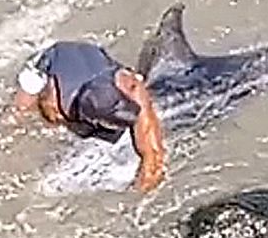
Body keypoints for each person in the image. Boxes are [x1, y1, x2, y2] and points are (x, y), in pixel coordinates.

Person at [10, 40, 165, 191]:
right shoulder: (55, 103)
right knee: (21, 117)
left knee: (149, 142)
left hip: (92, 60)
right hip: (51, 60)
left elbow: (154, 157)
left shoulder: (130, 87)